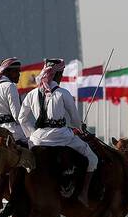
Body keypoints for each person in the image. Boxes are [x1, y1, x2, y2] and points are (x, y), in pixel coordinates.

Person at [18, 58, 96, 202]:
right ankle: (83, 193)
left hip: (37, 139)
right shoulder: (63, 93)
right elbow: (75, 120)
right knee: (93, 158)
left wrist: (32, 135)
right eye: (61, 73)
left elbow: (21, 118)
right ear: (57, 74)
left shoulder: (31, 94)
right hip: (61, 137)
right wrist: (80, 127)